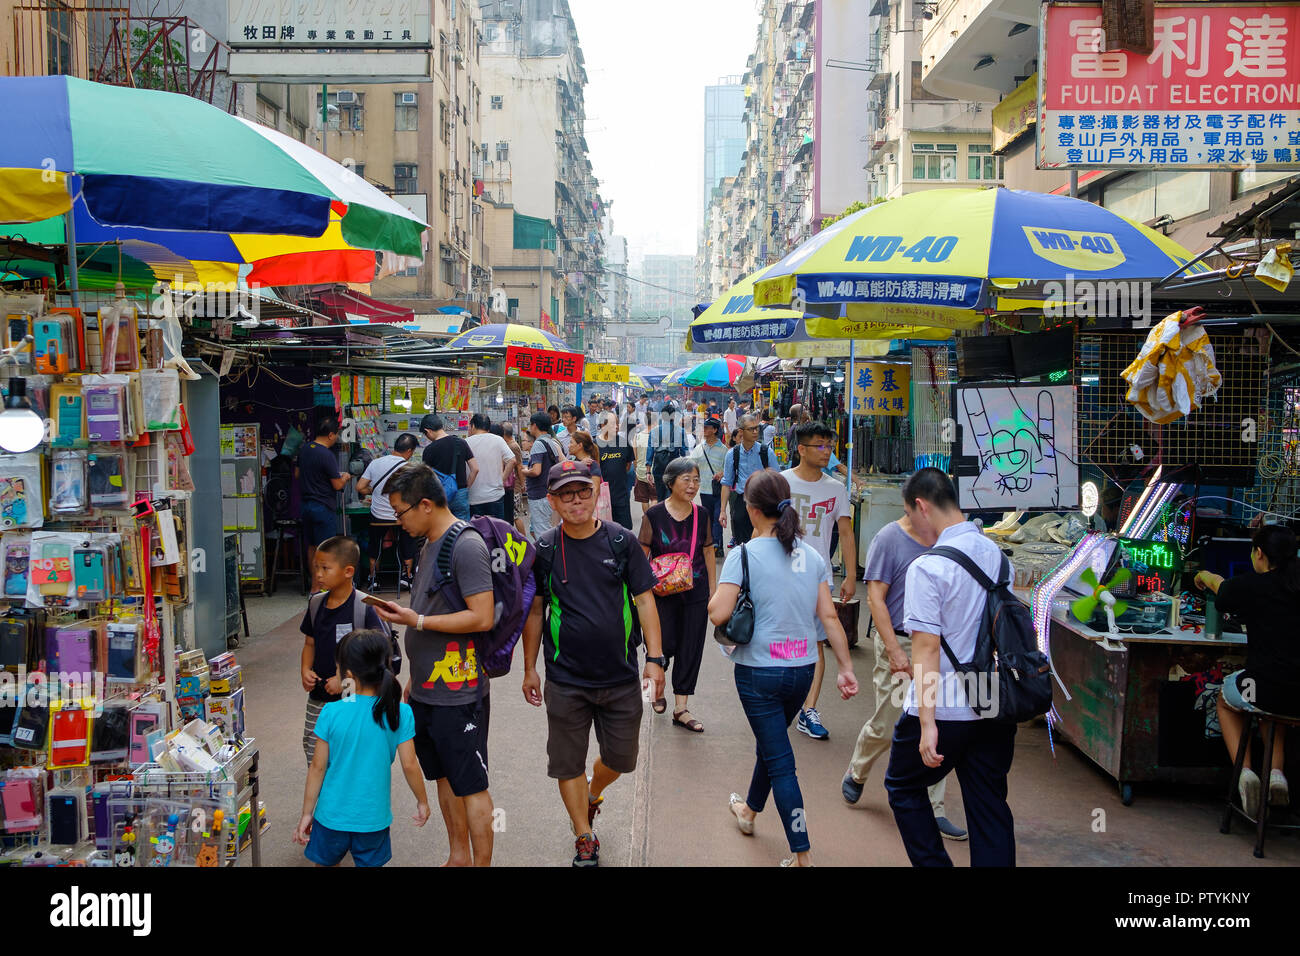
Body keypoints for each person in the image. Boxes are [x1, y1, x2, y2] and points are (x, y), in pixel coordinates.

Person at [708, 470, 858, 867]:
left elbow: (718, 613)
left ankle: (802, 855)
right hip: (802, 671)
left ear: (752, 510)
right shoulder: (810, 556)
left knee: (782, 761)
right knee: (771, 747)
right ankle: (750, 812)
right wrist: (845, 667)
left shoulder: (742, 555)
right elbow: (829, 617)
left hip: (758, 673)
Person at [520, 460, 665, 867]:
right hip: (565, 678)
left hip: (620, 675)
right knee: (566, 761)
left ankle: (592, 792)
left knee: (621, 759)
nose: (576, 500)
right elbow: (534, 612)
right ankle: (584, 834)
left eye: (583, 490)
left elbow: (645, 601)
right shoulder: (545, 550)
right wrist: (530, 667)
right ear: (551, 501)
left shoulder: (621, 542)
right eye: (565, 493)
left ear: (597, 490)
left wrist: (655, 659)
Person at [884, 468, 1014, 867]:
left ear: (921, 506)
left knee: (903, 786)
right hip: (990, 698)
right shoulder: (995, 554)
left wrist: (926, 724)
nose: (911, 525)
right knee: (988, 804)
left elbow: (926, 649)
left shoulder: (928, 567)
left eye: (910, 514)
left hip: (945, 706)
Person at [374, 463, 497, 867]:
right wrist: (415, 673)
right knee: (443, 775)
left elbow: (481, 617)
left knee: (472, 784)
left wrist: (418, 620)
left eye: (400, 511)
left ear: (425, 504)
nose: (398, 520)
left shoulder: (465, 545)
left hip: (459, 693)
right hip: (429, 687)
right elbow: (434, 607)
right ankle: (458, 855)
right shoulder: (430, 543)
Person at [841, 491, 968, 841]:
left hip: (939, 645)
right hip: (900, 640)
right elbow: (875, 598)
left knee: (938, 720)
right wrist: (895, 650)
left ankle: (935, 807)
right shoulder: (889, 539)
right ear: (916, 506)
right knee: (892, 721)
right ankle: (858, 770)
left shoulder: (947, 537)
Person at [294, 629, 430, 867]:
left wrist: (307, 812)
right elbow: (410, 764)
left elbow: (317, 767)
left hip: (330, 817)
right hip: (373, 819)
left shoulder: (331, 712)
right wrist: (422, 801)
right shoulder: (399, 712)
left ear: (347, 674)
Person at [1195, 524, 1300, 810]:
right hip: (1295, 696)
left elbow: (1222, 589)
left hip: (1263, 688)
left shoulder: (1255, 585)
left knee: (1228, 700)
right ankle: (1277, 776)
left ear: (1260, 554)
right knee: (1273, 712)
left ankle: (1245, 774)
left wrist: (1205, 575)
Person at [781, 421, 859, 742]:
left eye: (829, 446)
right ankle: (781, 703)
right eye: (820, 446)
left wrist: (850, 575)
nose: (827, 452)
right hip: (782, 575)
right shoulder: (781, 483)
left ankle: (808, 709)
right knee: (781, 642)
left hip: (820, 578)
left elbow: (846, 533)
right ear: (801, 449)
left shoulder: (836, 489)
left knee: (816, 644)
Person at [639, 457, 716, 732]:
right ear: (670, 483)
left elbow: (708, 550)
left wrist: (713, 591)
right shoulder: (654, 515)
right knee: (664, 644)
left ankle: (681, 707)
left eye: (696, 480)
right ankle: (656, 687)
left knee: (690, 647)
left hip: (695, 592)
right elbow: (642, 552)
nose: (693, 485)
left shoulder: (702, 515)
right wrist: (639, 589)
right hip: (660, 594)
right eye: (687, 480)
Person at [299, 536, 386, 764]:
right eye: (316, 567)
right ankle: (323, 796)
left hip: (351, 694)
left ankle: (345, 794)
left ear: (348, 571)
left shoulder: (364, 606)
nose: (318, 574)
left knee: (348, 751)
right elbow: (310, 643)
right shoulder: (316, 604)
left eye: (325, 568)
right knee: (314, 749)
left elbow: (377, 652)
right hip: (318, 695)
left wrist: (344, 678)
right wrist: (305, 669)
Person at [357, 432, 419, 589]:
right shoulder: (409, 468)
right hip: (400, 519)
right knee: (409, 541)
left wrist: (376, 492)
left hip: (378, 519)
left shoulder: (375, 463)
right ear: (410, 451)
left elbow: (360, 487)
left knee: (375, 546)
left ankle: (374, 579)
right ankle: (406, 577)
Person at [298, 416, 351, 569]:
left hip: (306, 506)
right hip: (323, 507)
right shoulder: (327, 455)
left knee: (312, 547)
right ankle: (322, 586)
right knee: (326, 549)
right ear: (331, 435)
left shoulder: (305, 449)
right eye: (336, 435)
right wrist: (345, 477)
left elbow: (297, 474)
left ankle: (314, 585)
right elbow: (336, 485)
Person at [720, 413, 776, 547]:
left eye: (757, 428)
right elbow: (726, 483)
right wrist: (723, 511)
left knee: (762, 543)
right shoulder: (732, 454)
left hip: (763, 503)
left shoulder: (766, 452)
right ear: (741, 431)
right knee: (742, 545)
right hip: (741, 502)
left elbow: (776, 479)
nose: (755, 431)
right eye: (751, 429)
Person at [420, 414, 478, 521]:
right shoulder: (461, 443)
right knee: (462, 530)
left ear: (427, 431)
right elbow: (475, 469)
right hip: (460, 493)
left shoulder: (429, 449)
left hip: (440, 495)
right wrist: (465, 487)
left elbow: (426, 479)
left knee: (442, 527)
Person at [522, 412, 564, 539]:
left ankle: (548, 557)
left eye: (530, 424)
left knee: (543, 533)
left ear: (534, 425)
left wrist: (524, 471)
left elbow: (536, 471)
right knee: (549, 530)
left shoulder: (538, 444)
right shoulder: (552, 441)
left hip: (539, 495)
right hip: (549, 491)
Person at [466, 413, 516, 520]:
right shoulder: (498, 440)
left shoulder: (466, 442)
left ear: (473, 426)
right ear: (488, 427)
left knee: (478, 534)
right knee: (497, 531)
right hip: (495, 496)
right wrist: (502, 479)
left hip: (474, 497)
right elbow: (512, 460)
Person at [691, 418, 727, 557]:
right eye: (703, 427)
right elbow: (691, 465)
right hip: (705, 490)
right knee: (709, 519)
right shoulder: (699, 448)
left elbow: (729, 470)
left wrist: (722, 473)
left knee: (718, 517)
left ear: (715, 430)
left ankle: (714, 544)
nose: (704, 430)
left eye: (707, 427)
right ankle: (719, 547)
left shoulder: (724, 450)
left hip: (719, 490)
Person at [596, 406, 636, 530]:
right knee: (602, 531)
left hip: (621, 496)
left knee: (623, 531)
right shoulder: (594, 445)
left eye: (617, 423)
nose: (617, 427)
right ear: (603, 425)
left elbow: (628, 465)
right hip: (600, 499)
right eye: (613, 424)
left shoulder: (624, 443)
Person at [497, 422, 524, 530]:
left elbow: (519, 466)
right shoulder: (509, 445)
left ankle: (524, 542)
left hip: (514, 485)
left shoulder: (513, 446)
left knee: (515, 515)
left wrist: (522, 484)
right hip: (513, 485)